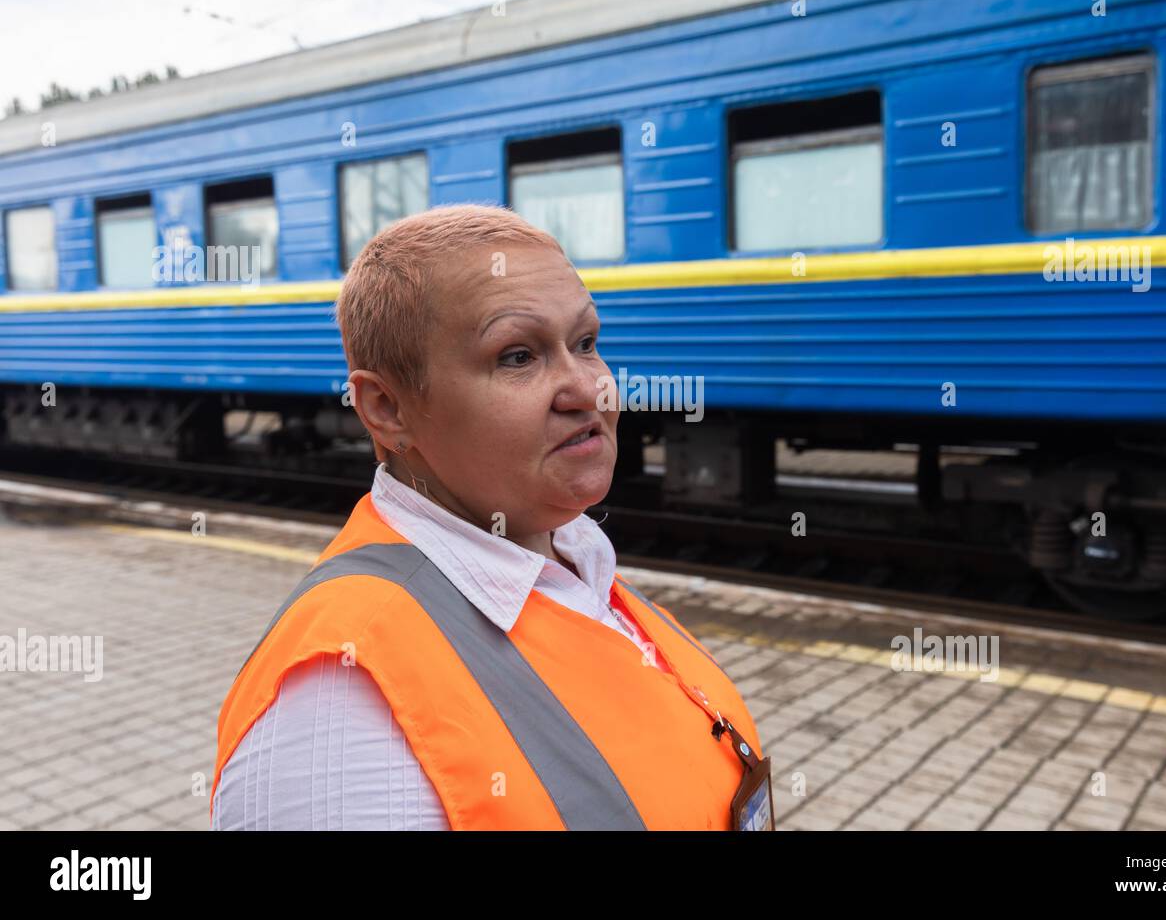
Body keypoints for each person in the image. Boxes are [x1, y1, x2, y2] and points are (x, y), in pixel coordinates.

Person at [210, 203, 769, 830]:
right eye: (517, 357)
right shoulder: (340, 707)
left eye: (586, 343)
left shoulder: (573, 562)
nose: (589, 389)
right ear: (387, 409)